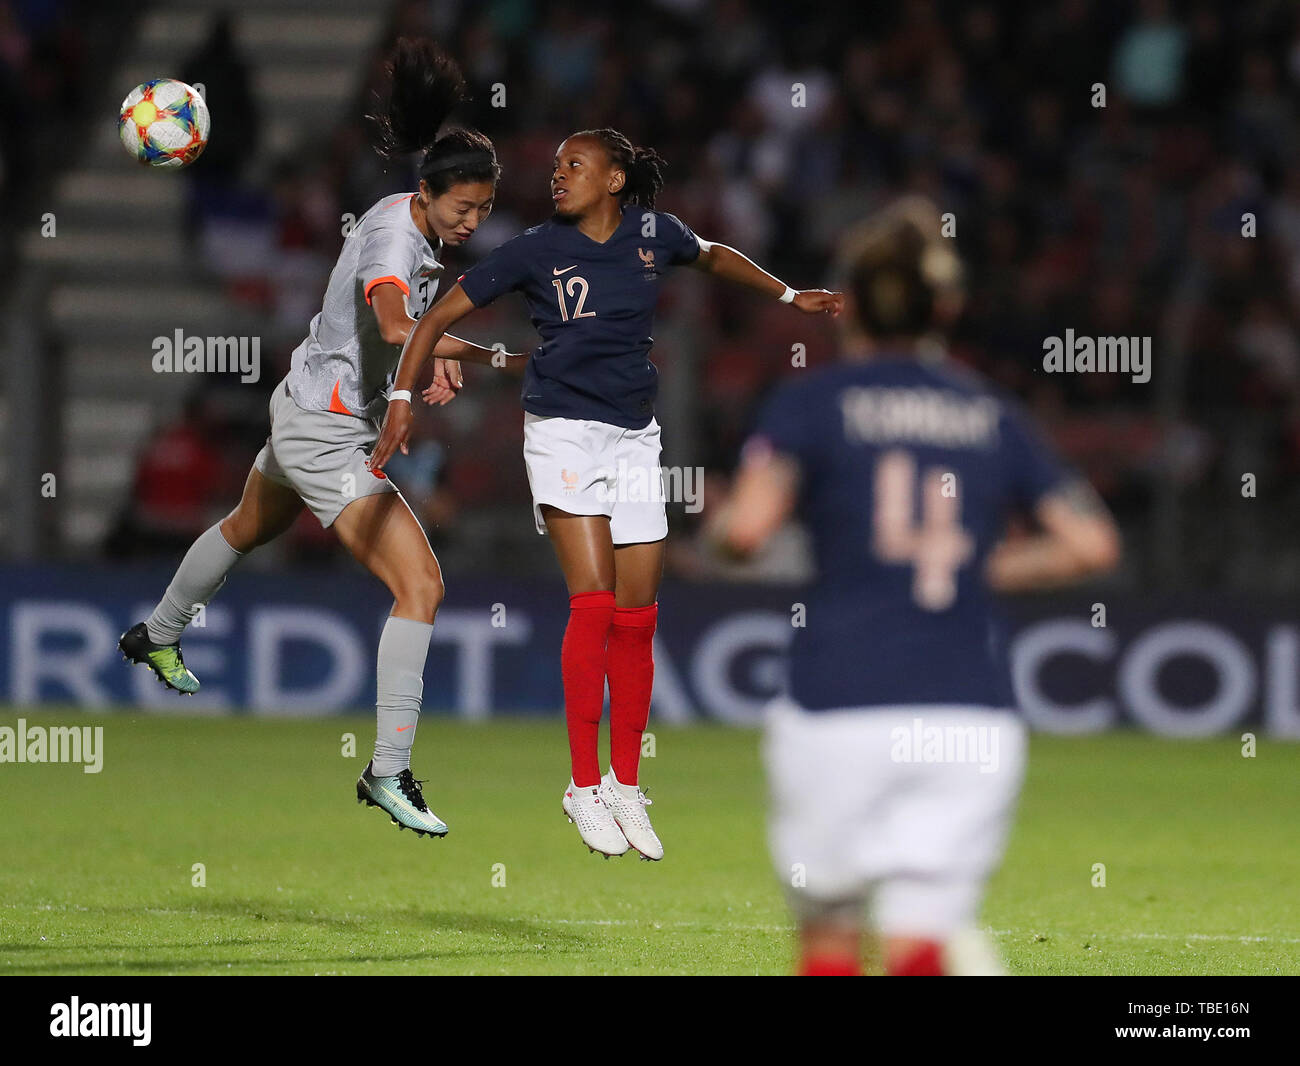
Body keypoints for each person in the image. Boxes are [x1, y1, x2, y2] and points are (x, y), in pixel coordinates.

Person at [368, 128, 843, 859]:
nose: (558, 176)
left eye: (575, 166)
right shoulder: (533, 249)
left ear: (615, 179)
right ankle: (582, 785)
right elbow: (433, 319)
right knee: (591, 602)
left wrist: (786, 294)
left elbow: (712, 255)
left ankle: (625, 784)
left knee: (638, 614)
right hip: (560, 432)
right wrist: (403, 393)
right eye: (556, 165)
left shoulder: (656, 235)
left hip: (633, 437)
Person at [119, 39, 519, 840]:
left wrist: (419, 370)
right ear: (428, 192)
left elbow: (398, 337)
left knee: (245, 527)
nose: (472, 223)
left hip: (310, 404)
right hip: (327, 433)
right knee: (422, 588)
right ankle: (387, 769)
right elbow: (397, 322)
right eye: (463, 209)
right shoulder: (394, 242)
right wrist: (486, 354)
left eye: (481, 210)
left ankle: (154, 633)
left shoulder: (405, 221)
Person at [712, 197, 1122, 975]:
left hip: (839, 701)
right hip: (970, 712)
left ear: (850, 306)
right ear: (948, 308)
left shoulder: (813, 402)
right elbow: (1091, 543)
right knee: (921, 939)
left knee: (831, 929)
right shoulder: (991, 410)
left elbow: (742, 533)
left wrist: (716, 531)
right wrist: (978, 567)